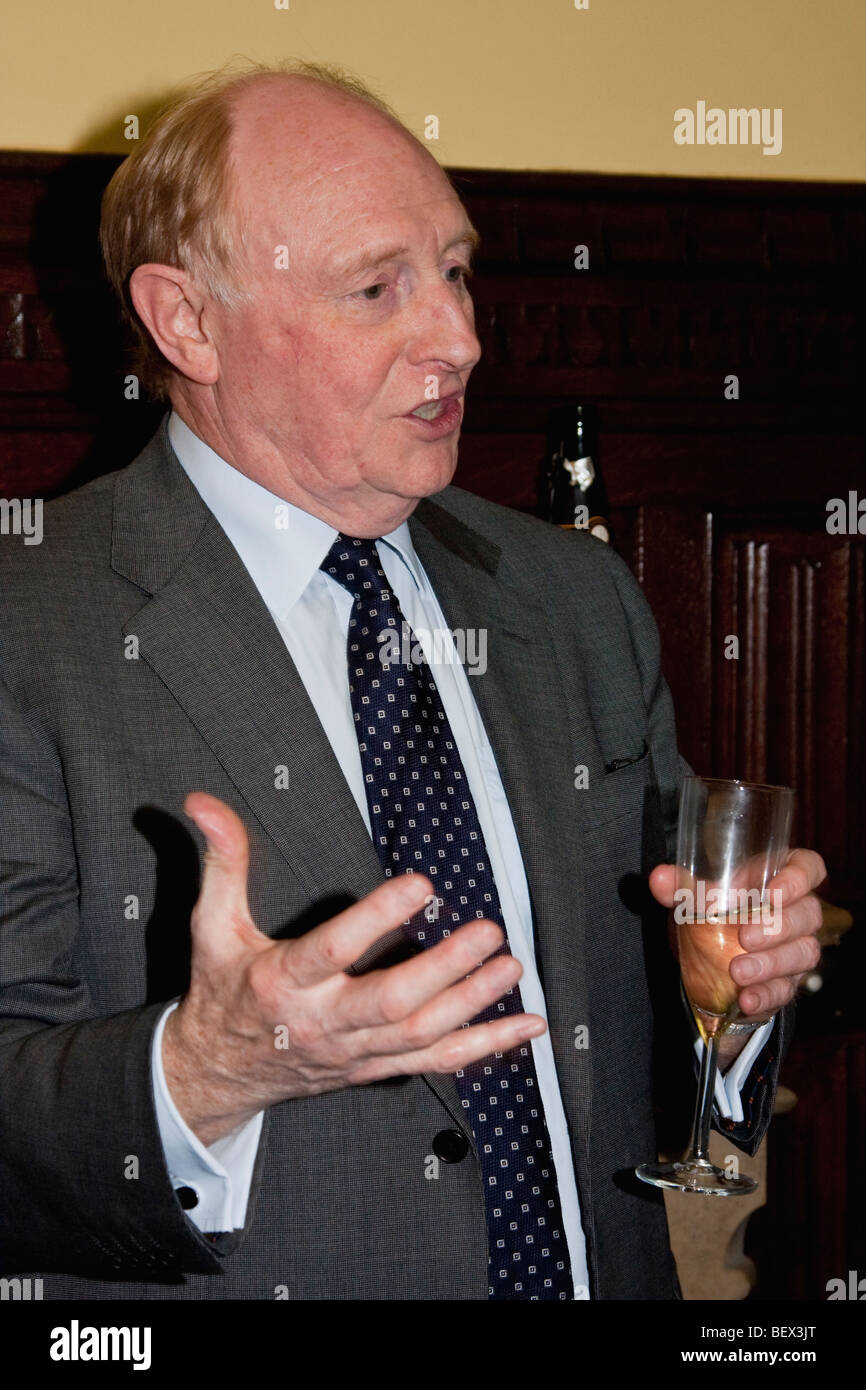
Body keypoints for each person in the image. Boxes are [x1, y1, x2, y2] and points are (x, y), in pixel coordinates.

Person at [0, 60, 824, 1301]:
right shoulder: (29, 624)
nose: (460, 338)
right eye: (376, 286)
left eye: (454, 269)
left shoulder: (572, 598)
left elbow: (647, 1054)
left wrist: (743, 992)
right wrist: (207, 1069)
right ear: (188, 322)